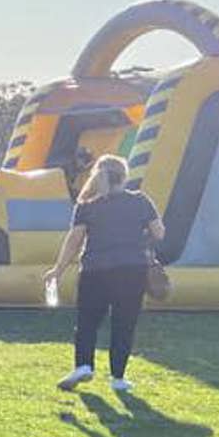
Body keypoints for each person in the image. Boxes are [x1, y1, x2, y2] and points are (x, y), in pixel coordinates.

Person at [45, 154, 166, 393]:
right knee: (124, 324)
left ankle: (83, 365)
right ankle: (118, 379)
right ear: (124, 176)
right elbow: (159, 233)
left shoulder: (87, 205)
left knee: (87, 321)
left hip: (94, 270)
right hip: (132, 270)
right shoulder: (140, 201)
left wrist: (58, 270)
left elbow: (74, 240)